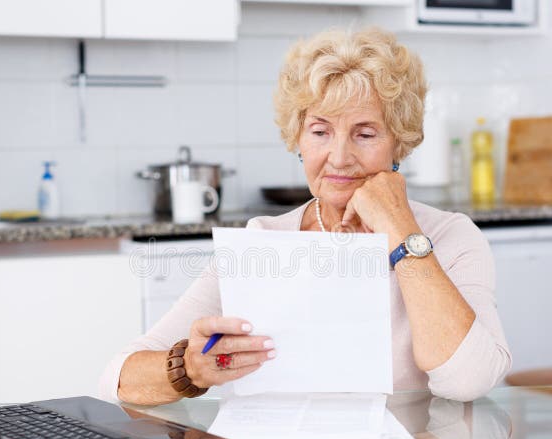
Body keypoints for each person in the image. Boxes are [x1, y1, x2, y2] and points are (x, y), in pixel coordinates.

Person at [101, 27, 510, 405]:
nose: (339, 157)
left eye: (365, 134)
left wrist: (400, 230)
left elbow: (468, 381)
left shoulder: (451, 237)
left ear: (398, 144)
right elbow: (117, 378)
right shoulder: (261, 242)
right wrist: (189, 368)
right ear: (298, 139)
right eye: (320, 131)